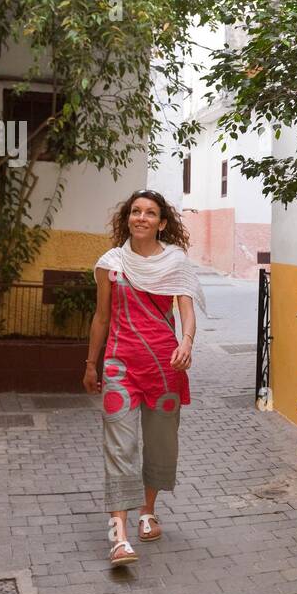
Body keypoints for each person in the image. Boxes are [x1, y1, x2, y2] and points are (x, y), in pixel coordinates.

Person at [84, 189, 203, 566]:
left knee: (160, 442)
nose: (141, 218)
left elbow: (185, 306)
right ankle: (118, 533)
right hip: (119, 366)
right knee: (120, 447)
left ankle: (147, 512)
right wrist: (91, 363)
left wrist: (187, 341)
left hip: (166, 367)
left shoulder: (175, 262)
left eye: (150, 213)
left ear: (162, 223)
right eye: (135, 211)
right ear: (127, 218)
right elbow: (102, 317)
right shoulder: (111, 264)